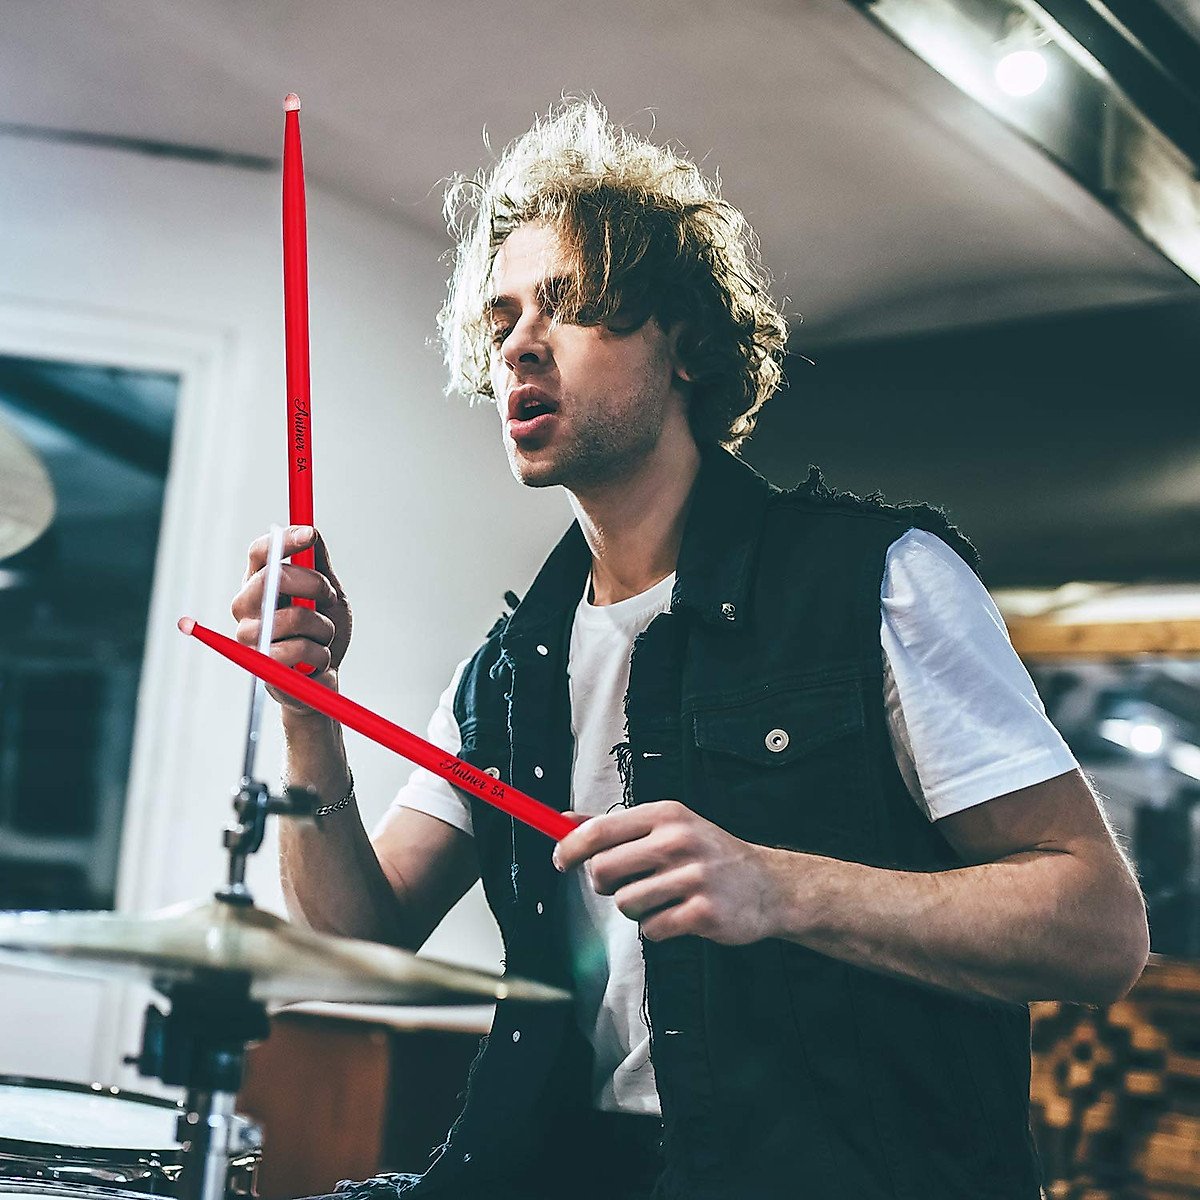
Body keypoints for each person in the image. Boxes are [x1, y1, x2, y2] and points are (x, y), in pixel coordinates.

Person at [231, 101, 1149, 1200]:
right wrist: (307, 715)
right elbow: (357, 943)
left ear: (682, 341)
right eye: (503, 317)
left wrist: (780, 887)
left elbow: (1098, 929)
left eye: (570, 305)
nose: (519, 344)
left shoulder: (875, 583)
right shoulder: (507, 676)